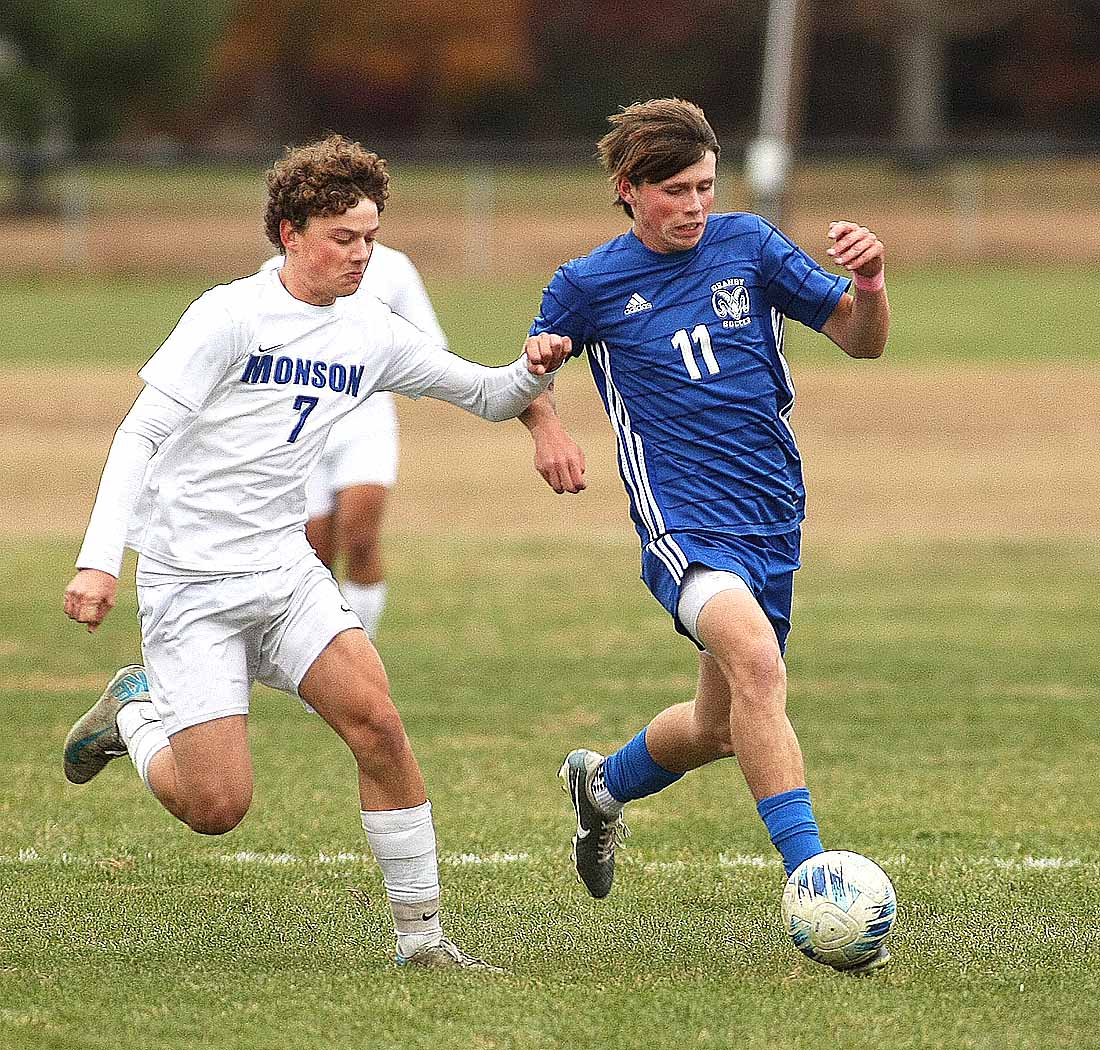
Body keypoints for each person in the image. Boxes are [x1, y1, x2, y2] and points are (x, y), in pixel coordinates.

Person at [61, 134, 571, 971]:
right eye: (344, 238)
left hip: (285, 574)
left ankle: (424, 944)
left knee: (378, 724)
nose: (362, 254)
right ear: (290, 233)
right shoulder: (229, 316)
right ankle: (132, 712)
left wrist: (531, 370)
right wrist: (98, 559)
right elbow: (140, 433)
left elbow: (482, 393)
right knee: (217, 806)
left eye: (370, 237)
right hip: (192, 583)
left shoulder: (370, 329)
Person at [530, 99, 891, 972]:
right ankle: (814, 881)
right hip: (681, 522)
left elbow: (859, 340)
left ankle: (602, 785)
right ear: (629, 191)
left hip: (772, 514)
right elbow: (530, 366)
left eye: (705, 187)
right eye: (675, 191)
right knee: (759, 664)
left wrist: (872, 286)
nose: (695, 206)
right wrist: (546, 425)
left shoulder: (751, 245)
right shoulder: (588, 283)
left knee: (718, 723)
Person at [259, 245, 586, 639]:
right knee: (315, 553)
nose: (358, 247)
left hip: (366, 425)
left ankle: (362, 648)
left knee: (360, 537)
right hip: (301, 436)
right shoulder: (272, 277)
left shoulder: (392, 269)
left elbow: (430, 348)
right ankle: (313, 656)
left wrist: (527, 380)